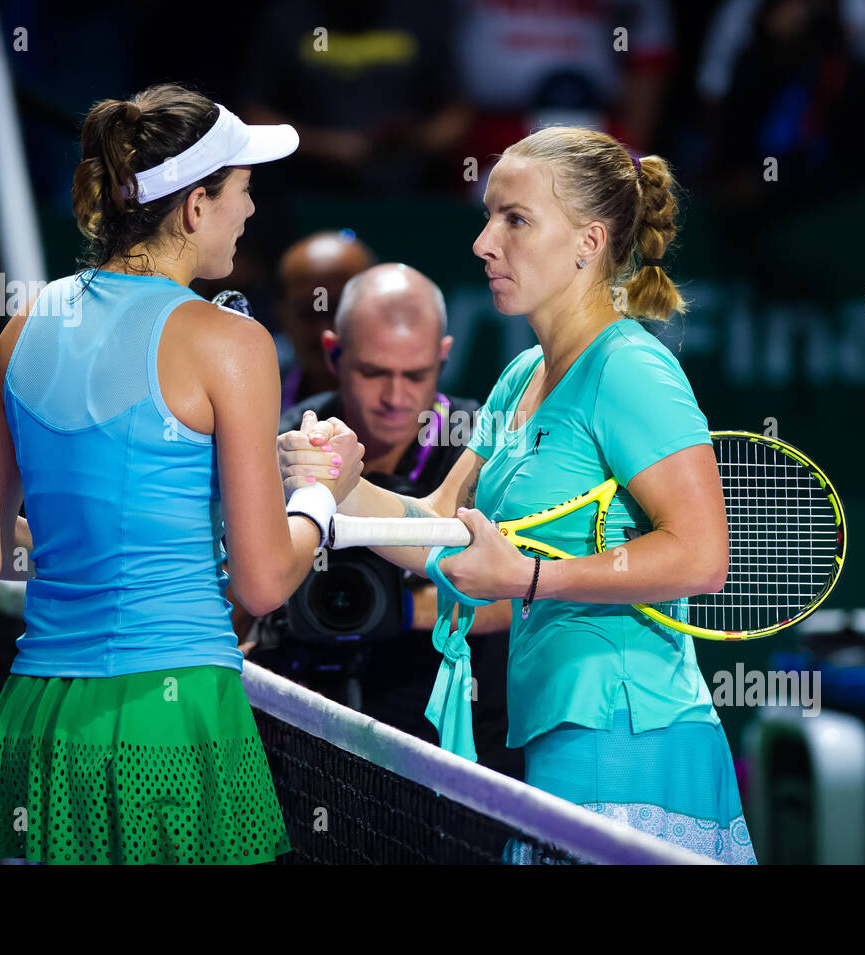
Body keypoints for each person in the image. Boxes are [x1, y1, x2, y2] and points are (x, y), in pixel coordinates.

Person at [279, 126, 757, 863]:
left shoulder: (633, 369)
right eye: (487, 216)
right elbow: (441, 522)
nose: (483, 243)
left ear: (588, 242)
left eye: (515, 219)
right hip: (557, 731)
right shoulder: (520, 376)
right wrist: (343, 484)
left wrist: (530, 577)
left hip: (631, 734)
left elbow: (702, 555)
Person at [0, 82, 364, 864]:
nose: (250, 212)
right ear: (195, 205)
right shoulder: (230, 344)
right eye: (242, 191)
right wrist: (320, 493)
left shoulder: (20, 329)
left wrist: (90, 553)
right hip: (170, 717)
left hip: (40, 721)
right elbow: (264, 582)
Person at [243, 262, 521, 778]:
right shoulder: (285, 445)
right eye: (374, 372)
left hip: (462, 756)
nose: (396, 397)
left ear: (443, 356)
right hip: (306, 746)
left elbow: (523, 588)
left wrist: (395, 608)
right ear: (334, 353)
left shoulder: (488, 448)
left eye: (416, 375)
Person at [272, 231, 376, 411]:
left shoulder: (424, 379)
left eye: (339, 311)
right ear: (282, 313)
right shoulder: (253, 378)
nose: (324, 330)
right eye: (308, 313)